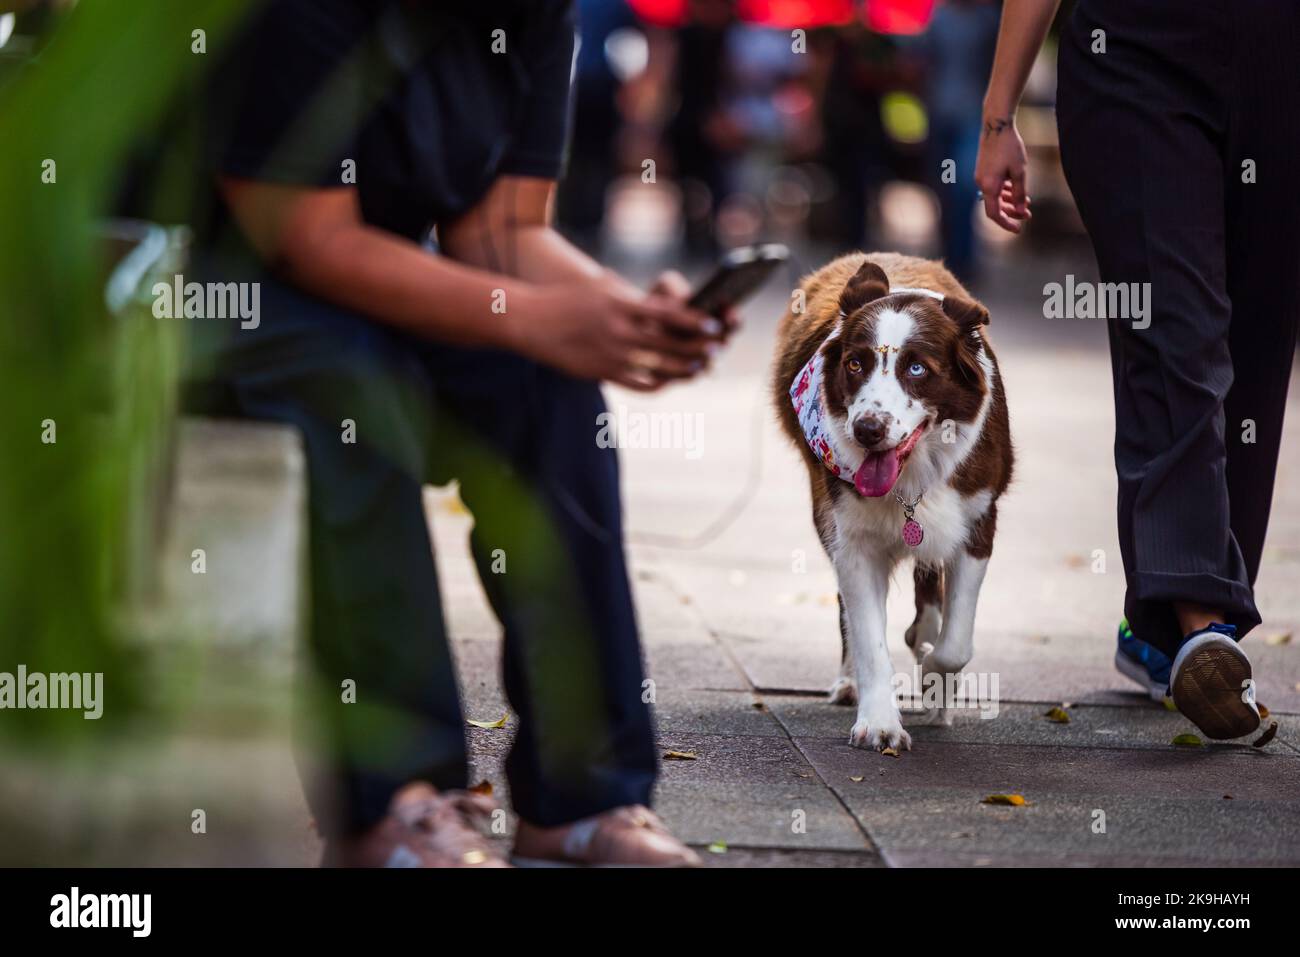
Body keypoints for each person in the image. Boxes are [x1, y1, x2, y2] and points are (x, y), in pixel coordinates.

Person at [186, 0, 731, 866]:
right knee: (354, 382)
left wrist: (619, 317)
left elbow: (502, 233)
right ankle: (398, 800)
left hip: (375, 284)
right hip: (221, 294)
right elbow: (305, 241)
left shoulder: (538, 17)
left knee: (551, 383)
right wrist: (542, 316)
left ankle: (585, 797)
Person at [975, 0, 1299, 738]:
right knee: (1174, 324)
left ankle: (1168, 622)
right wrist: (999, 116)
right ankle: (1195, 614)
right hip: (1137, 54)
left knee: (1259, 341)